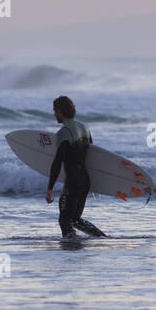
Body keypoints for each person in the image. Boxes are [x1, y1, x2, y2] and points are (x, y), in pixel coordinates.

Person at [44, 96, 102, 237]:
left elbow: (58, 162)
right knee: (75, 220)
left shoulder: (64, 133)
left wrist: (49, 189)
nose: (54, 114)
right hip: (84, 181)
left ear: (60, 111)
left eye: (55, 111)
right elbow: (92, 156)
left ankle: (70, 247)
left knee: (64, 220)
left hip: (73, 181)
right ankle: (101, 237)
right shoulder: (84, 129)